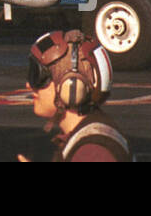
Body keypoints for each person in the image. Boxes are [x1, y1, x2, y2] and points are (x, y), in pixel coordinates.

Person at [18, 29, 132, 162]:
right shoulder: (87, 137)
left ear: (70, 85)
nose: (29, 85)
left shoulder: (92, 153)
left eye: (38, 77)